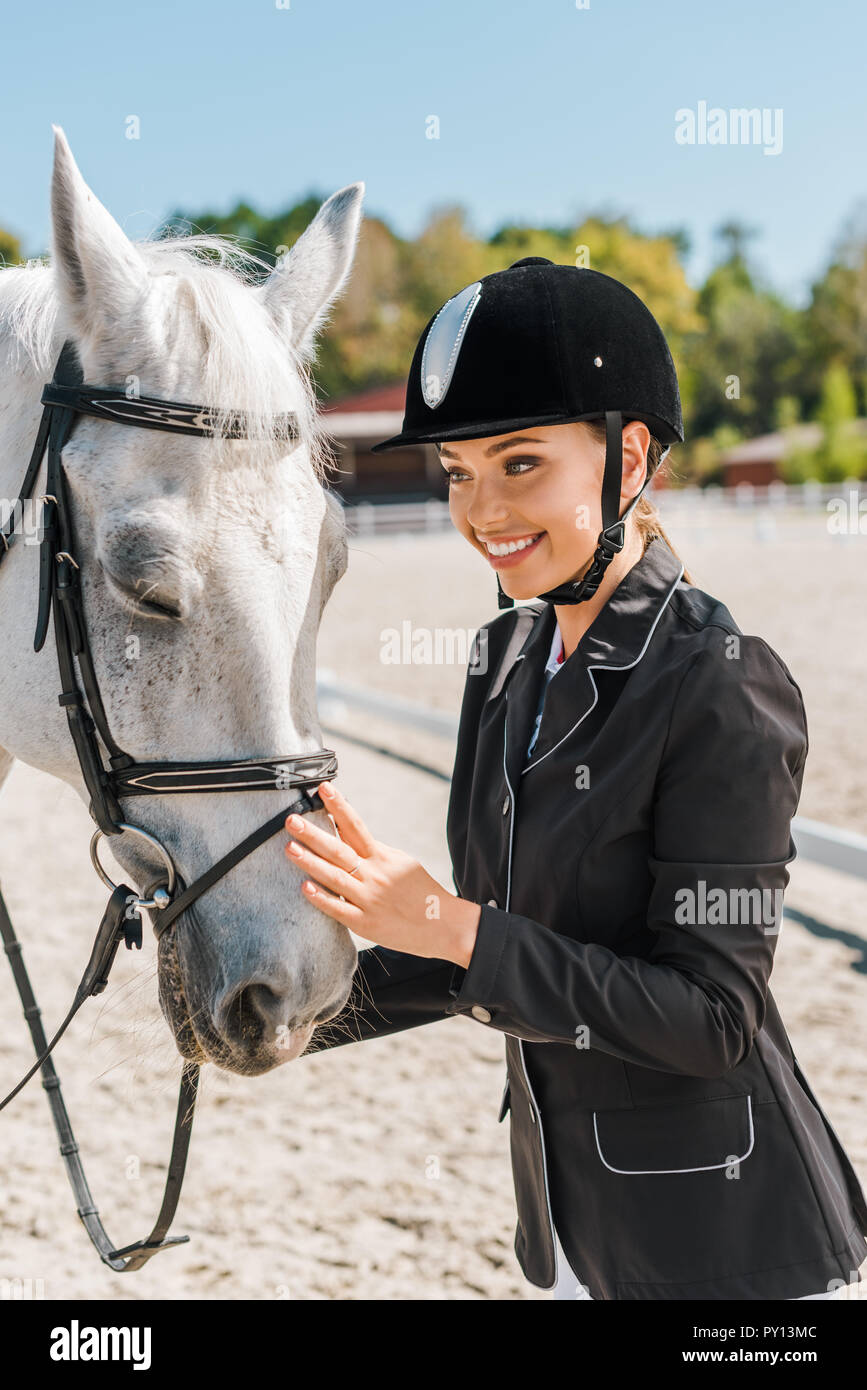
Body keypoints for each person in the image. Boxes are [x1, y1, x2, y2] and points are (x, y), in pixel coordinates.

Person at [286, 258, 867, 1300]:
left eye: (518, 463)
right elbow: (509, 946)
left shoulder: (721, 683)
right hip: (563, 1223)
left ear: (629, 456)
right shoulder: (505, 657)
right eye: (459, 472)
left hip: (730, 1249)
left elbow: (712, 1016)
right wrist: (301, 1011)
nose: (480, 509)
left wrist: (453, 925)